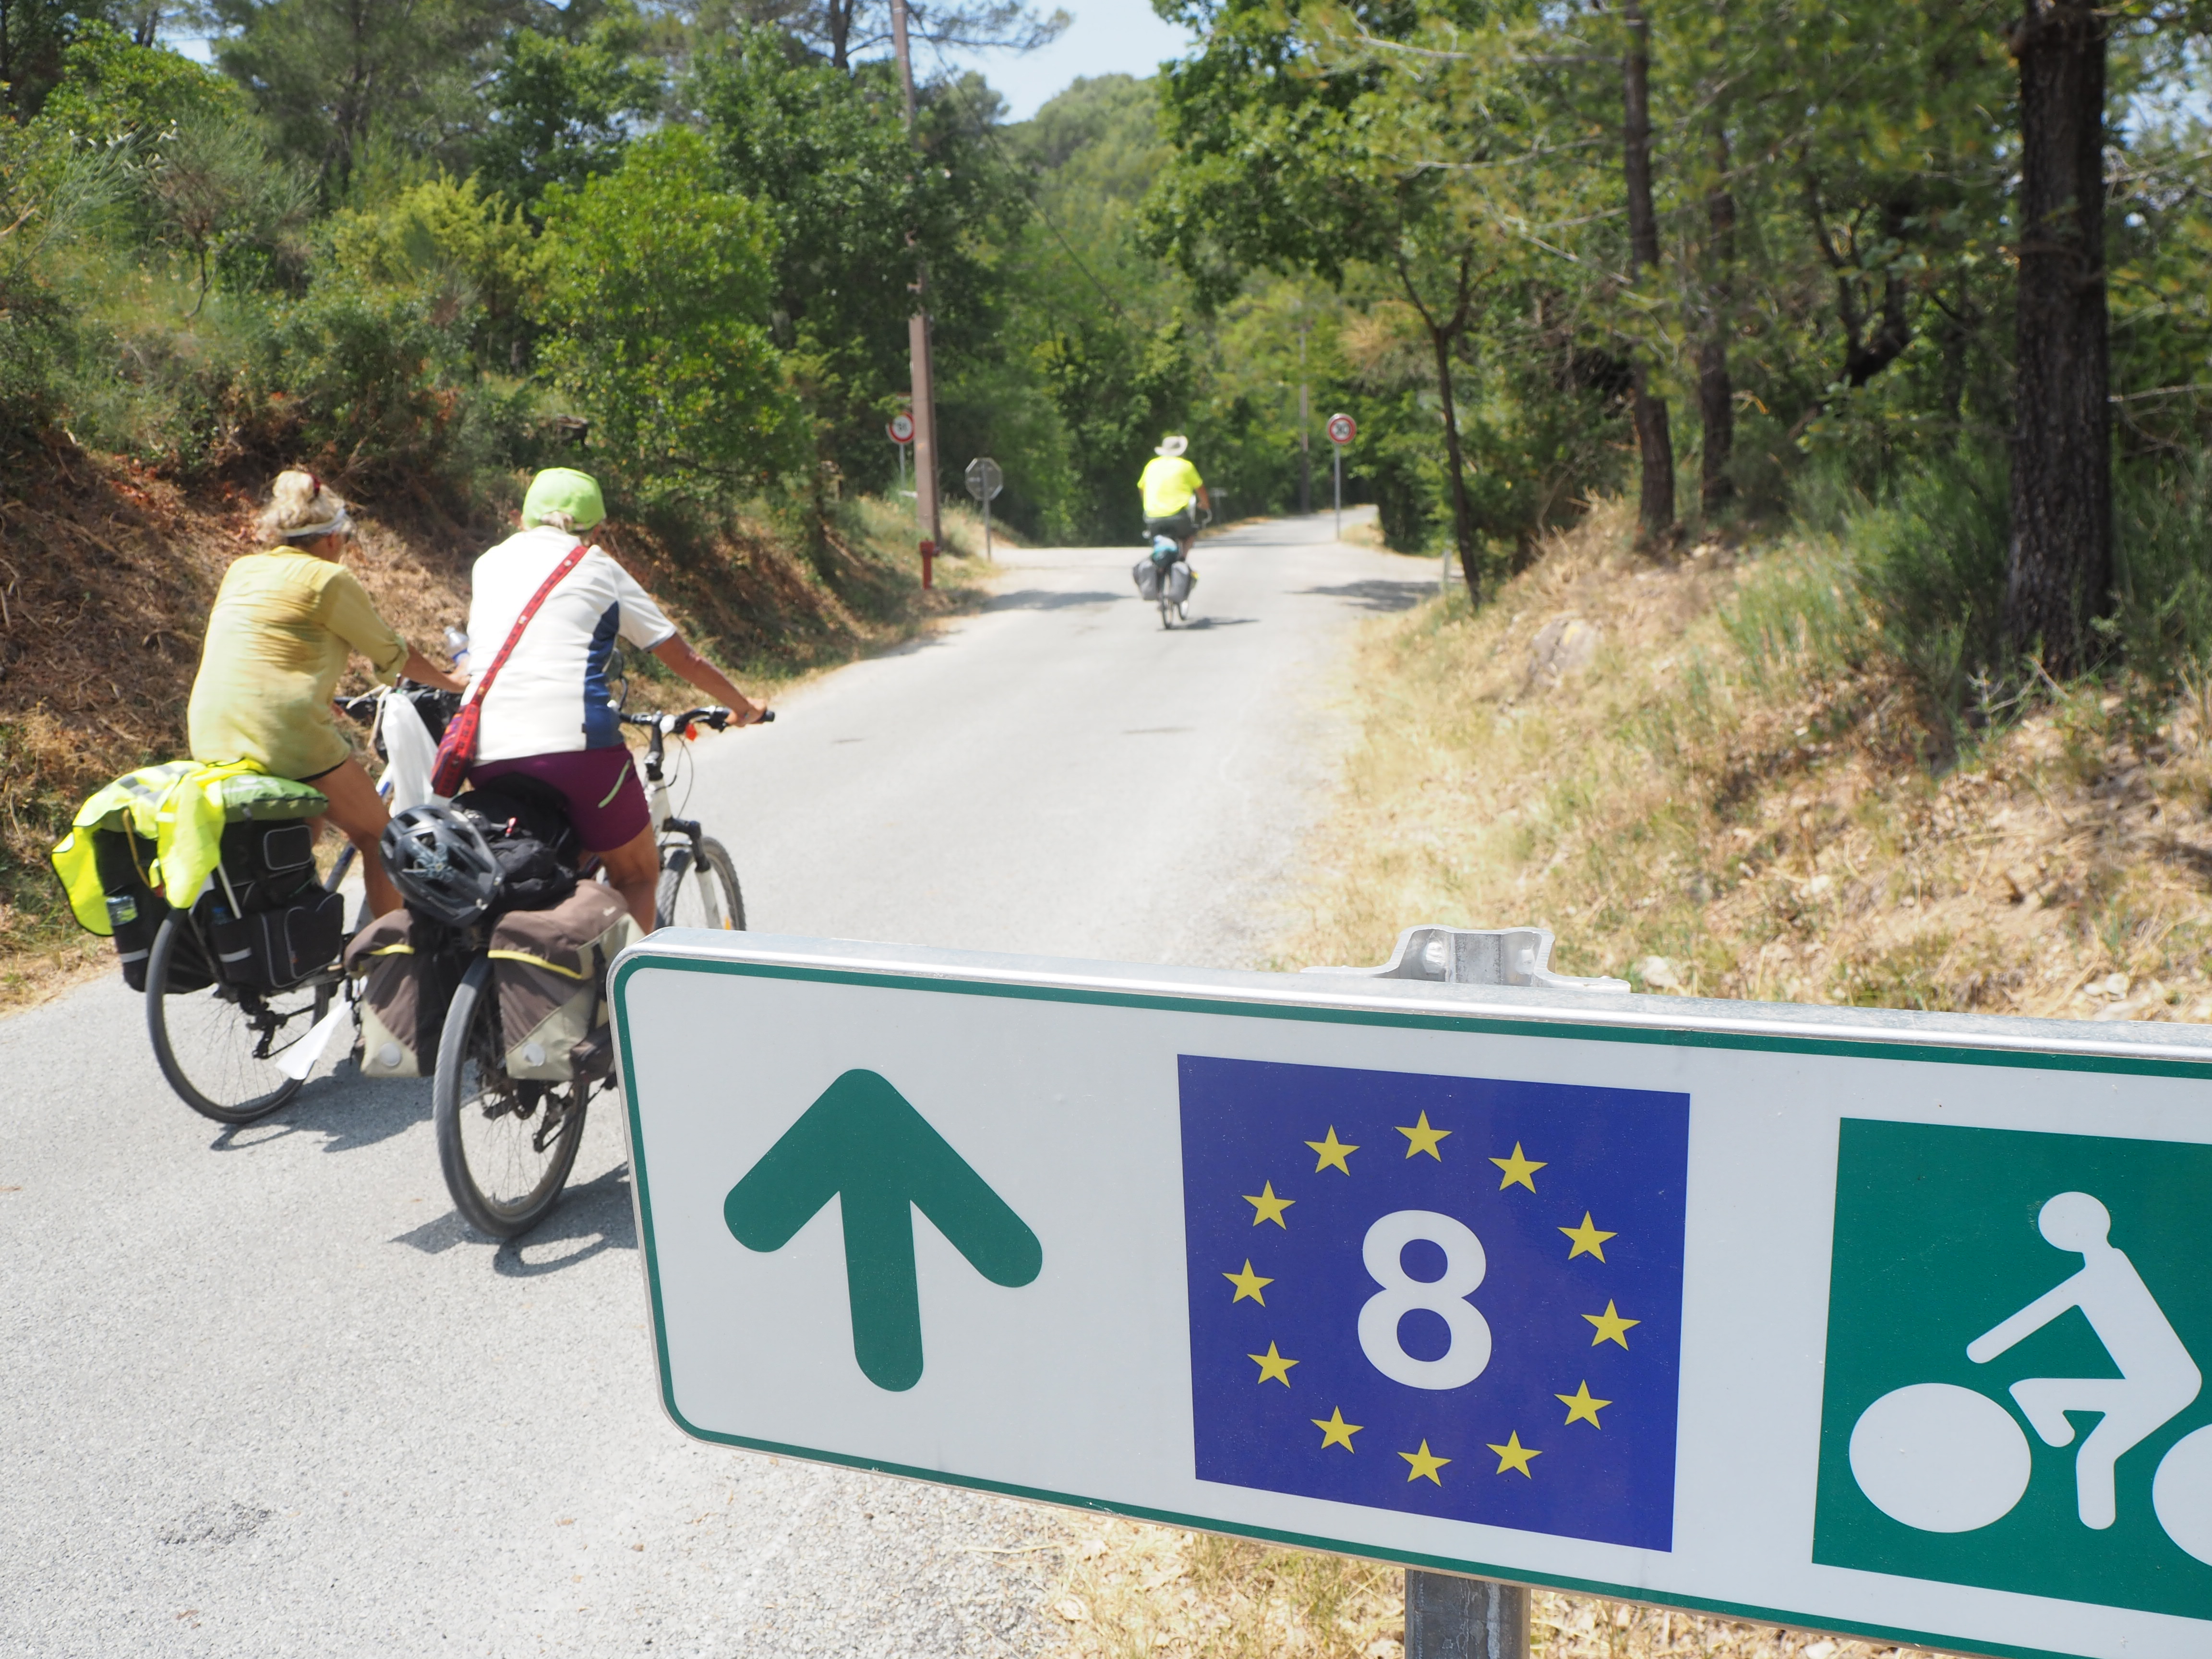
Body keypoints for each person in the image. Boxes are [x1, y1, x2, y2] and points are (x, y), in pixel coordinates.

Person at [463, 468, 766, 933]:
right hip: (576, 749)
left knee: (553, 852)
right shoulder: (597, 566)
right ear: (596, 529)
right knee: (638, 873)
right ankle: (622, 999)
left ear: (520, 519)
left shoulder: (487, 564)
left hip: (481, 748)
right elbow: (681, 656)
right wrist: (741, 706)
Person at [188, 469, 464, 921]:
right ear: (334, 539)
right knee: (381, 837)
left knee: (304, 825)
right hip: (282, 732)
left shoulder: (242, 569)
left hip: (211, 729)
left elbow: (264, 650)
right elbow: (391, 653)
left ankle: (292, 931)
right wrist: (455, 681)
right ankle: (387, 957)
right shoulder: (329, 579)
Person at [1139, 434, 1211, 560]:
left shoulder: (1151, 465)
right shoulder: (1186, 466)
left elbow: (1141, 488)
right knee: (1189, 535)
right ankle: (1182, 560)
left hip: (1153, 517)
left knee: (1155, 538)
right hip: (1179, 516)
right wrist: (1205, 504)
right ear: (1181, 451)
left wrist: (1148, 504)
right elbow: (1200, 488)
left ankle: (1158, 563)